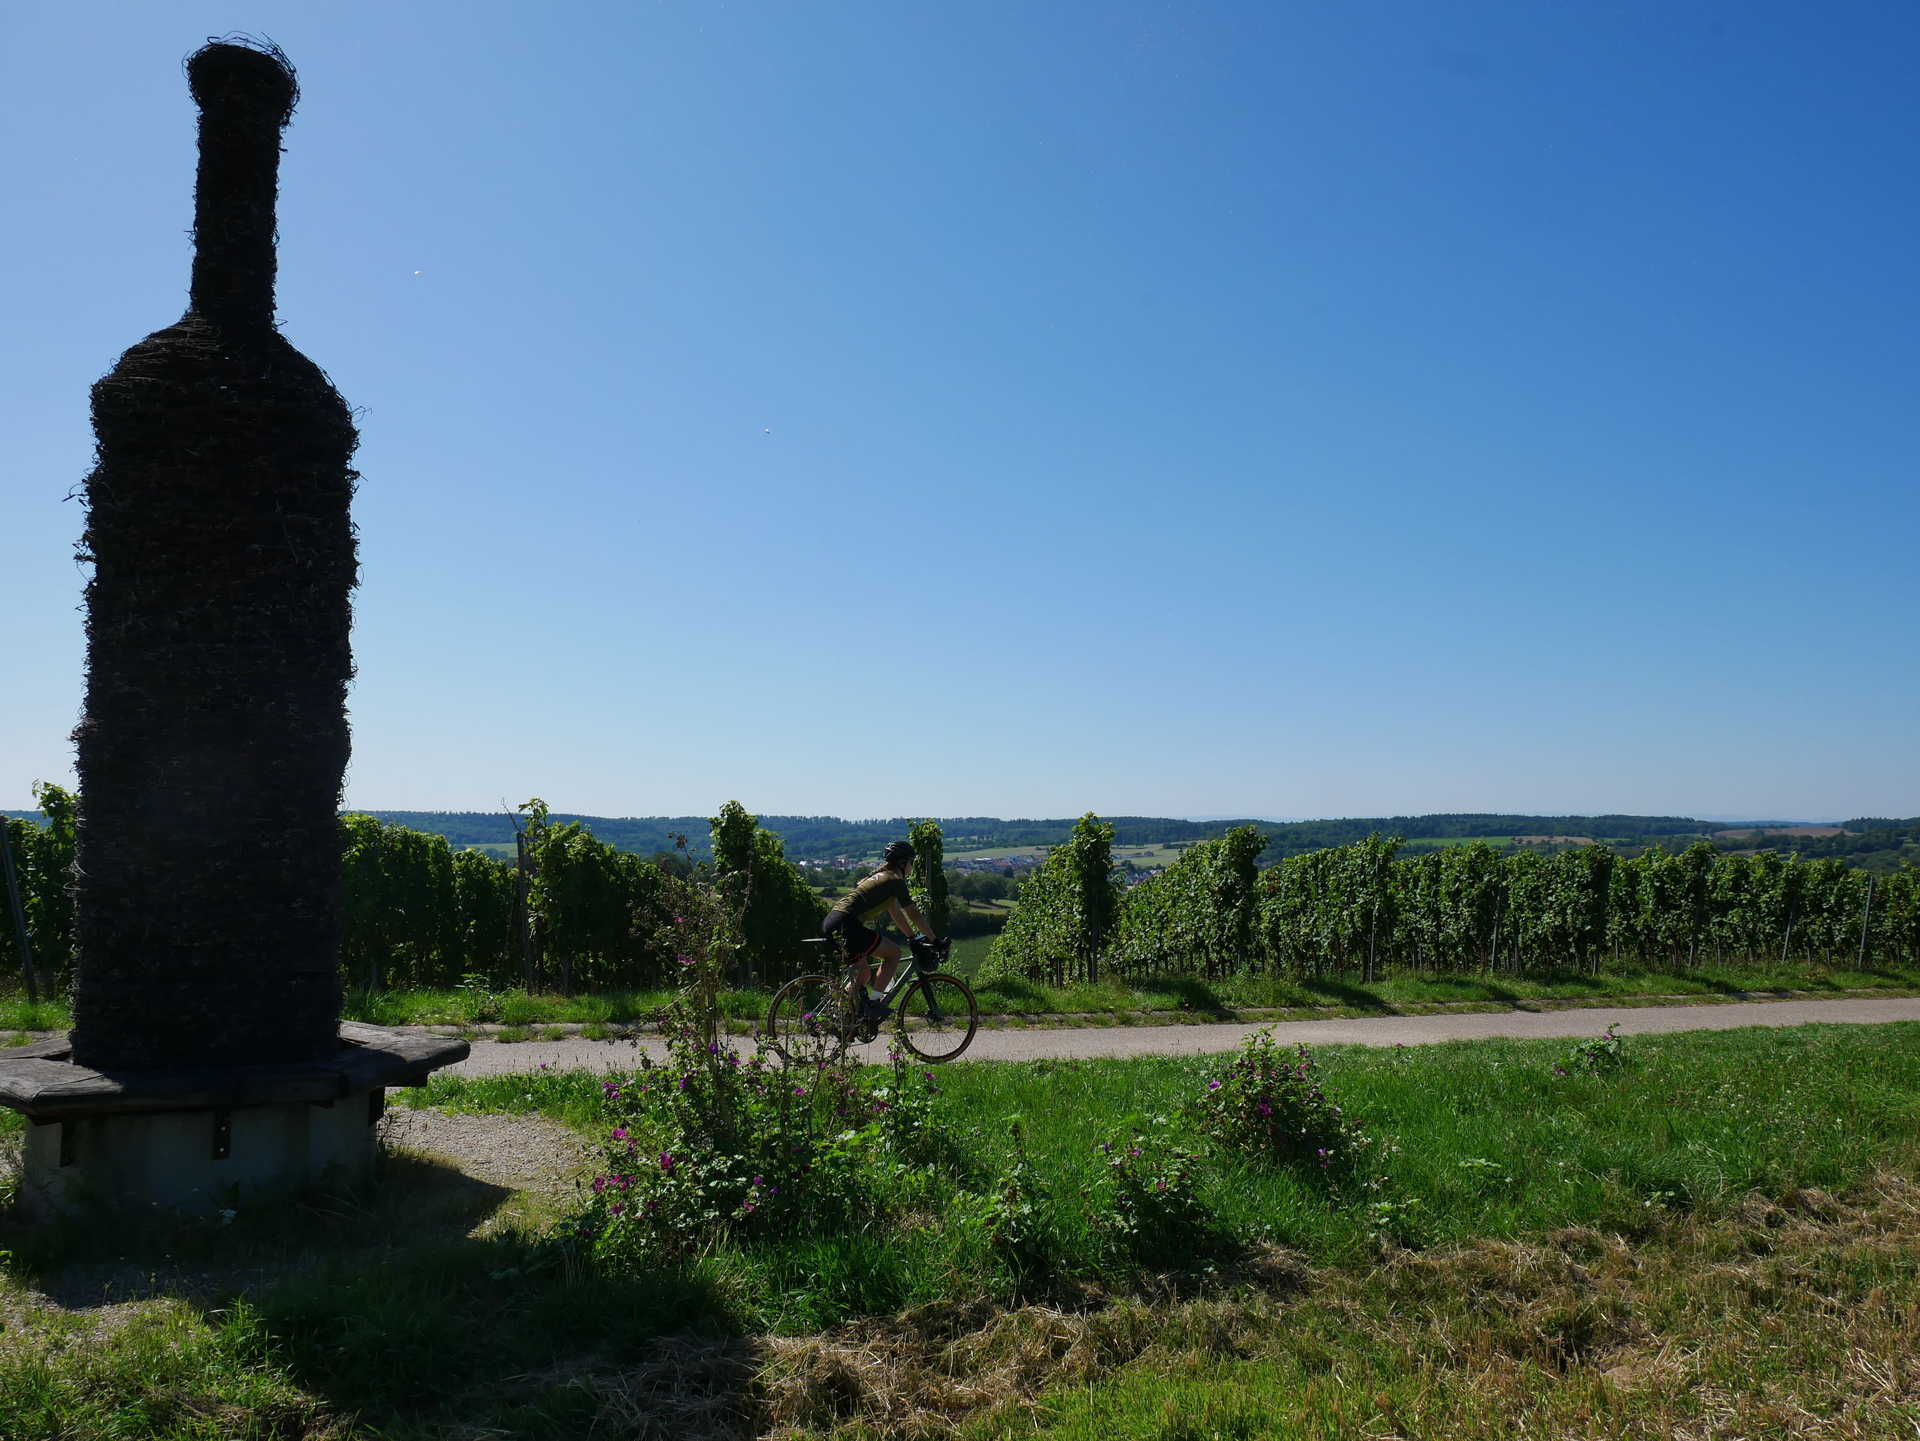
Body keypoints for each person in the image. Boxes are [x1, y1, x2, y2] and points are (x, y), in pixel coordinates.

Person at [821, 839, 937, 1018]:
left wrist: (912, 937)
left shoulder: (882, 878)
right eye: (911, 862)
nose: (912, 867)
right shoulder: (895, 880)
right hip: (846, 923)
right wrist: (934, 939)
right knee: (894, 954)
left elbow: (896, 913)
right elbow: (913, 913)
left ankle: (837, 1017)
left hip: (833, 921)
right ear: (901, 862)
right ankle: (874, 1005)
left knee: (863, 976)